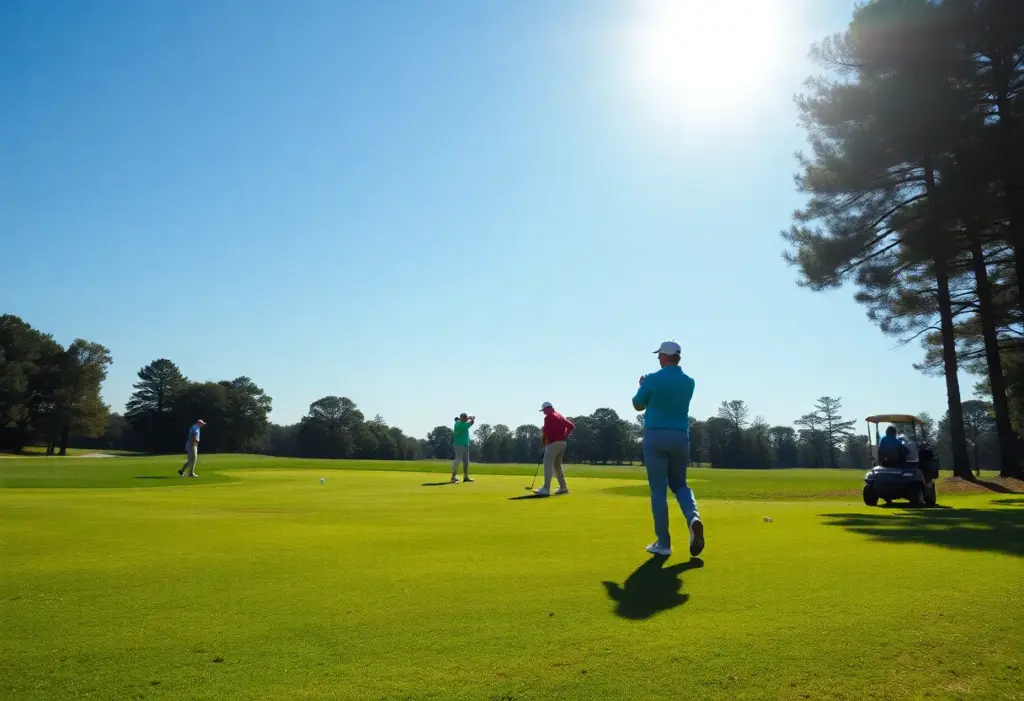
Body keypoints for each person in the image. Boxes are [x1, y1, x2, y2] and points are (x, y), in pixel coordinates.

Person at [632, 341, 703, 558]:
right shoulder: (689, 382)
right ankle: (693, 518)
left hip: (655, 436)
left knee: (658, 490)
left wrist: (642, 384)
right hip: (680, 437)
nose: (658, 359)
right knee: (680, 484)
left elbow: (638, 404)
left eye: (659, 355)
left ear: (664, 356)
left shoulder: (652, 379)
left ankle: (663, 543)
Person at [534, 402, 575, 496]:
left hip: (553, 443)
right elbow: (571, 426)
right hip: (563, 443)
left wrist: (543, 444)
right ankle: (563, 487)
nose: (543, 412)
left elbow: (546, 433)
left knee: (547, 463)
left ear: (548, 408)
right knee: (557, 465)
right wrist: (565, 435)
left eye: (544, 410)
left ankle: (546, 488)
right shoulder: (560, 416)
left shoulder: (548, 417)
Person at [451, 413, 475, 483]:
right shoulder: (463, 425)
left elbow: (460, 420)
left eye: (466, 418)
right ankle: (453, 477)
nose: (465, 419)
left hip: (465, 444)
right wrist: (472, 418)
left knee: (466, 462)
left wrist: (468, 418)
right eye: (464, 418)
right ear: (462, 418)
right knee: (458, 459)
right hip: (458, 444)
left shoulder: (459, 422)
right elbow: (472, 422)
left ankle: (466, 477)